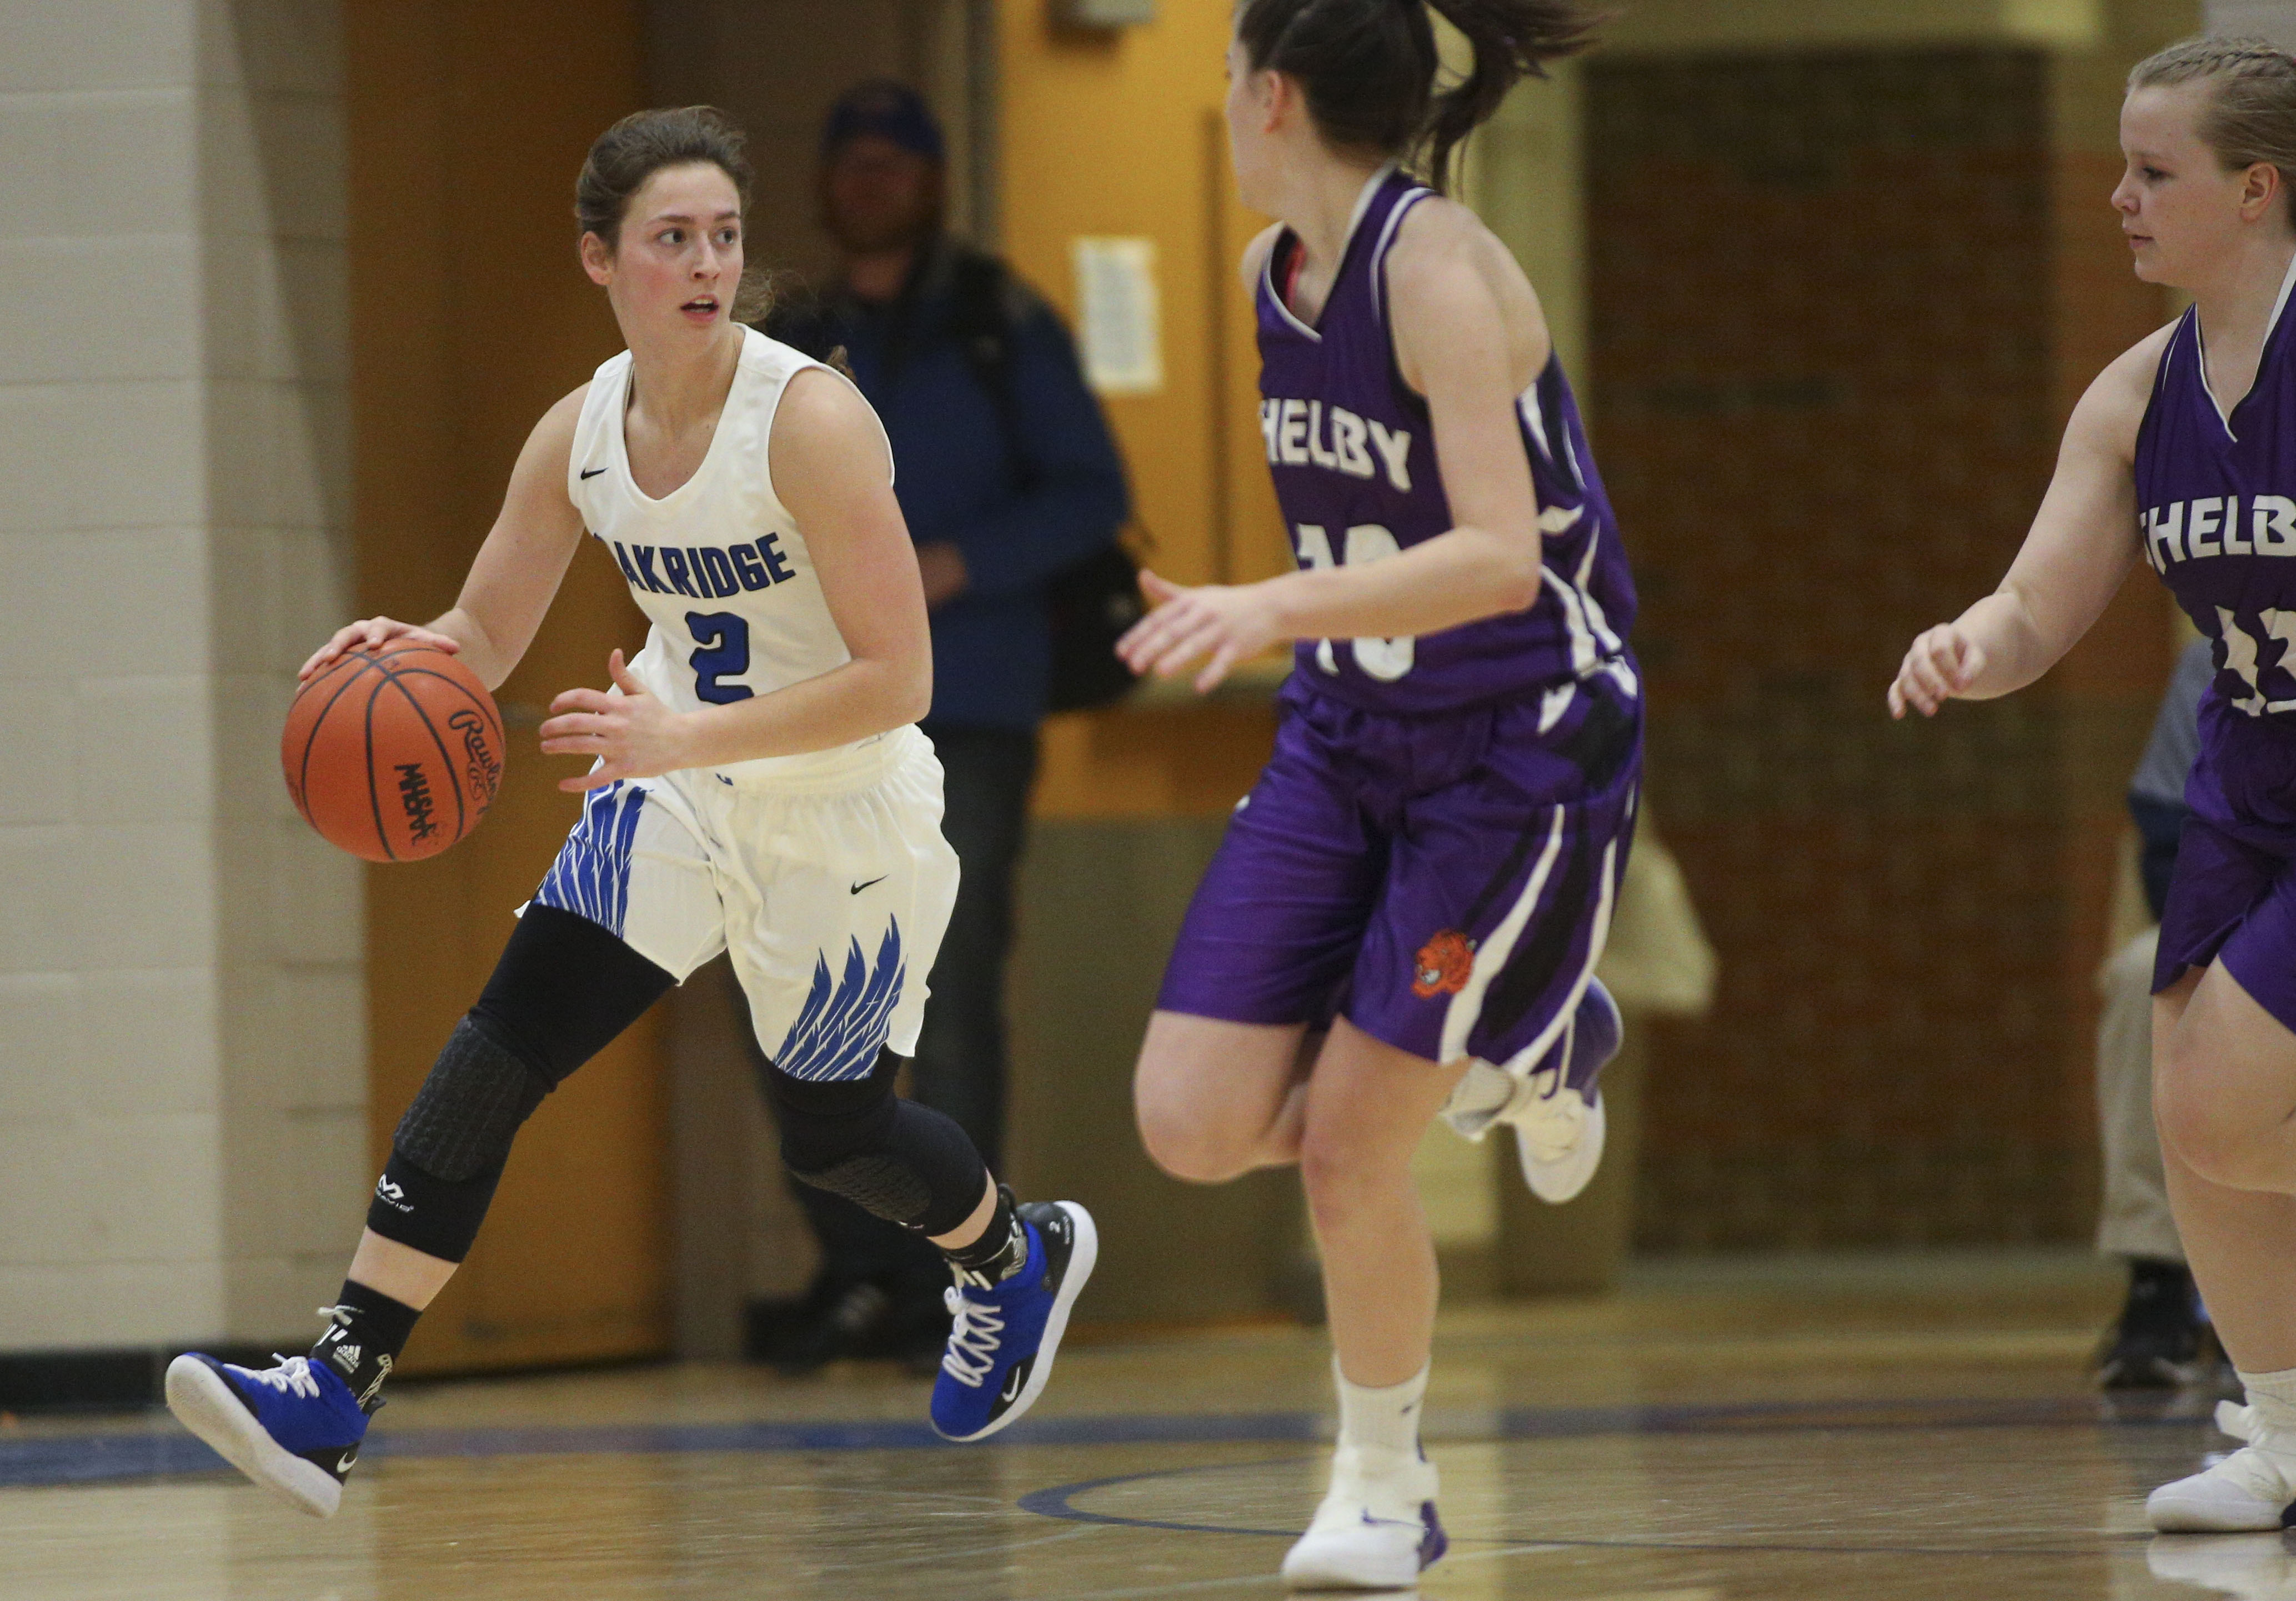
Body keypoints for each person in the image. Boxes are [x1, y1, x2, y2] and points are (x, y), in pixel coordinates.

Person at [159, 107, 1097, 1520]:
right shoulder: (580, 432)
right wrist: (407, 651)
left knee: (835, 1136)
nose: (708, 263)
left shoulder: (811, 421)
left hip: (840, 811)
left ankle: (1014, 1257)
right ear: (601, 258)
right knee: (501, 1044)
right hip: (676, 786)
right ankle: (336, 1387)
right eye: (673, 238)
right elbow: (486, 629)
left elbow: (900, 677)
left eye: (724, 235)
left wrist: (682, 732)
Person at [1120, 1, 1634, 1588]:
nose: (1222, 104)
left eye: (1226, 79)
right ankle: (1536, 1030)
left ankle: (1383, 1483)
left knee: (1351, 1149)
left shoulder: (1438, 272)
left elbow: (1496, 558)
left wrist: (1267, 606)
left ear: (1270, 96)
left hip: (1514, 745)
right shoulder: (1263, 273)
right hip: (1347, 738)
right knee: (1189, 1123)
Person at [1888, 37, 2296, 1533]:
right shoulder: (2135, 396)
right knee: (2190, 1112)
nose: (2117, 196)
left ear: (2254, 189)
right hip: (2246, 774)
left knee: (2221, 1086)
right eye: (2119, 165)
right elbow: (2033, 608)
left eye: (2150, 170)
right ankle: (2281, 1433)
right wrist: (1965, 646)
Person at [754, 82, 1129, 1369]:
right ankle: (860, 1269)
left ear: (931, 181)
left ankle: (969, 1273)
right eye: (849, 162)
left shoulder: (995, 320)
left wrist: (958, 562)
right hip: (811, 708)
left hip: (967, 703)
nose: (868, 182)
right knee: (790, 980)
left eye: (892, 163)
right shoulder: (791, 331)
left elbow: (1091, 493)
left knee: (950, 990)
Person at [2096, 638, 2216, 1389]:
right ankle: (2157, 1280)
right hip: (2239, 917)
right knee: (2147, 972)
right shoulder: (2216, 654)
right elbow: (2164, 849)